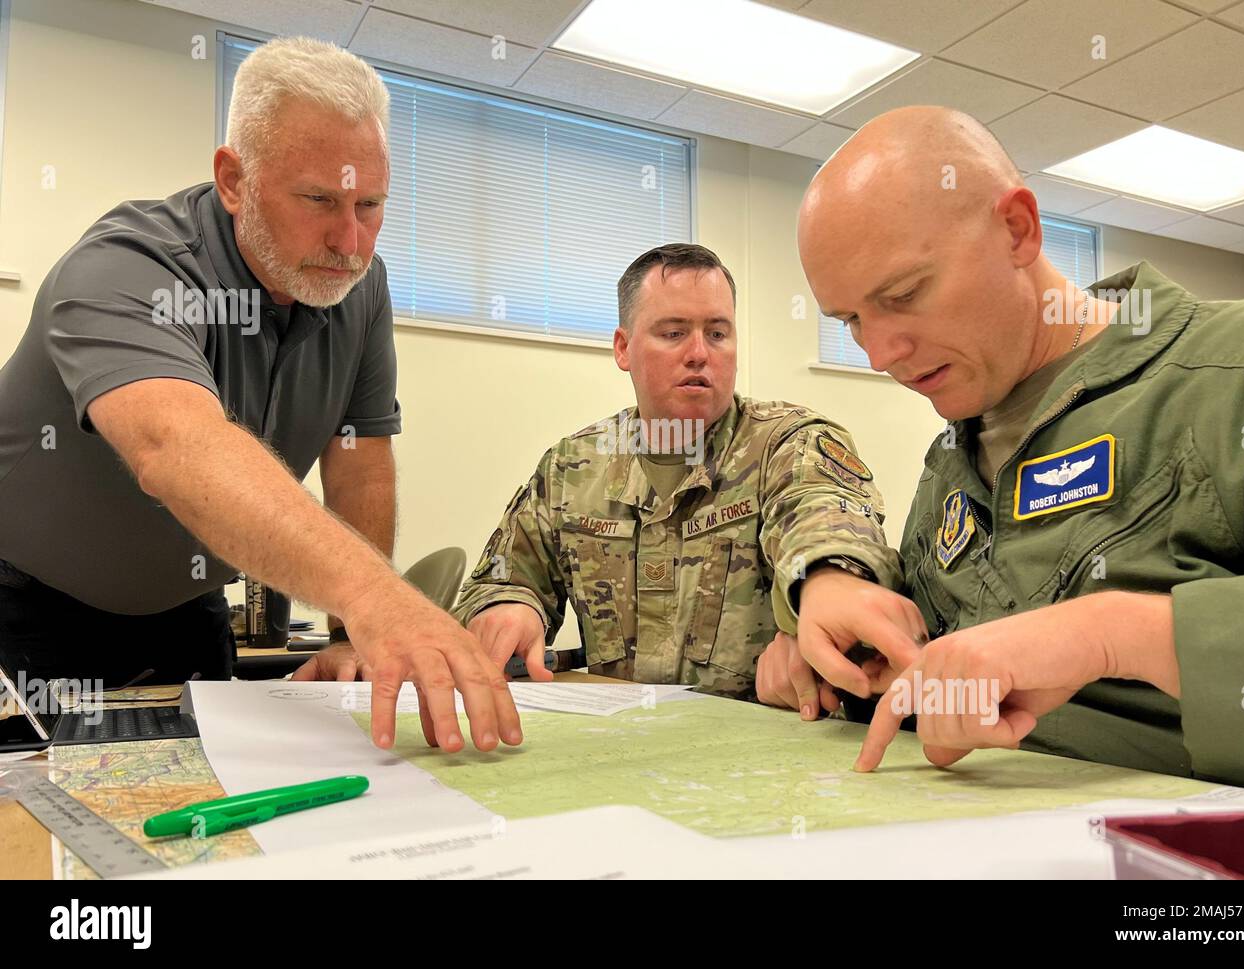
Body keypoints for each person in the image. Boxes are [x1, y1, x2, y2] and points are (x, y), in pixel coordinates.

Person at [0, 36, 518, 754]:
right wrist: (375, 594)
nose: (352, 242)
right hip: (26, 610)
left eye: (371, 204)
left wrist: (351, 636)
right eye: (320, 200)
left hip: (187, 610)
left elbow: (358, 457)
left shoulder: (360, 288)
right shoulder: (125, 264)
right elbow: (177, 446)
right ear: (234, 178)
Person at [796, 105, 1244, 797]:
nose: (881, 353)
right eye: (851, 319)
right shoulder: (953, 452)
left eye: (905, 294)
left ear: (1018, 229)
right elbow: (931, 658)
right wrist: (841, 645)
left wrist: (1116, 633)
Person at [452, 243, 915, 709]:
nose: (698, 353)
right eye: (673, 333)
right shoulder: (574, 466)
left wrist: (826, 584)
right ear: (623, 347)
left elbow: (824, 518)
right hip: (616, 740)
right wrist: (507, 607)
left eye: (717, 334)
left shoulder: (785, 443)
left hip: (757, 742)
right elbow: (504, 577)